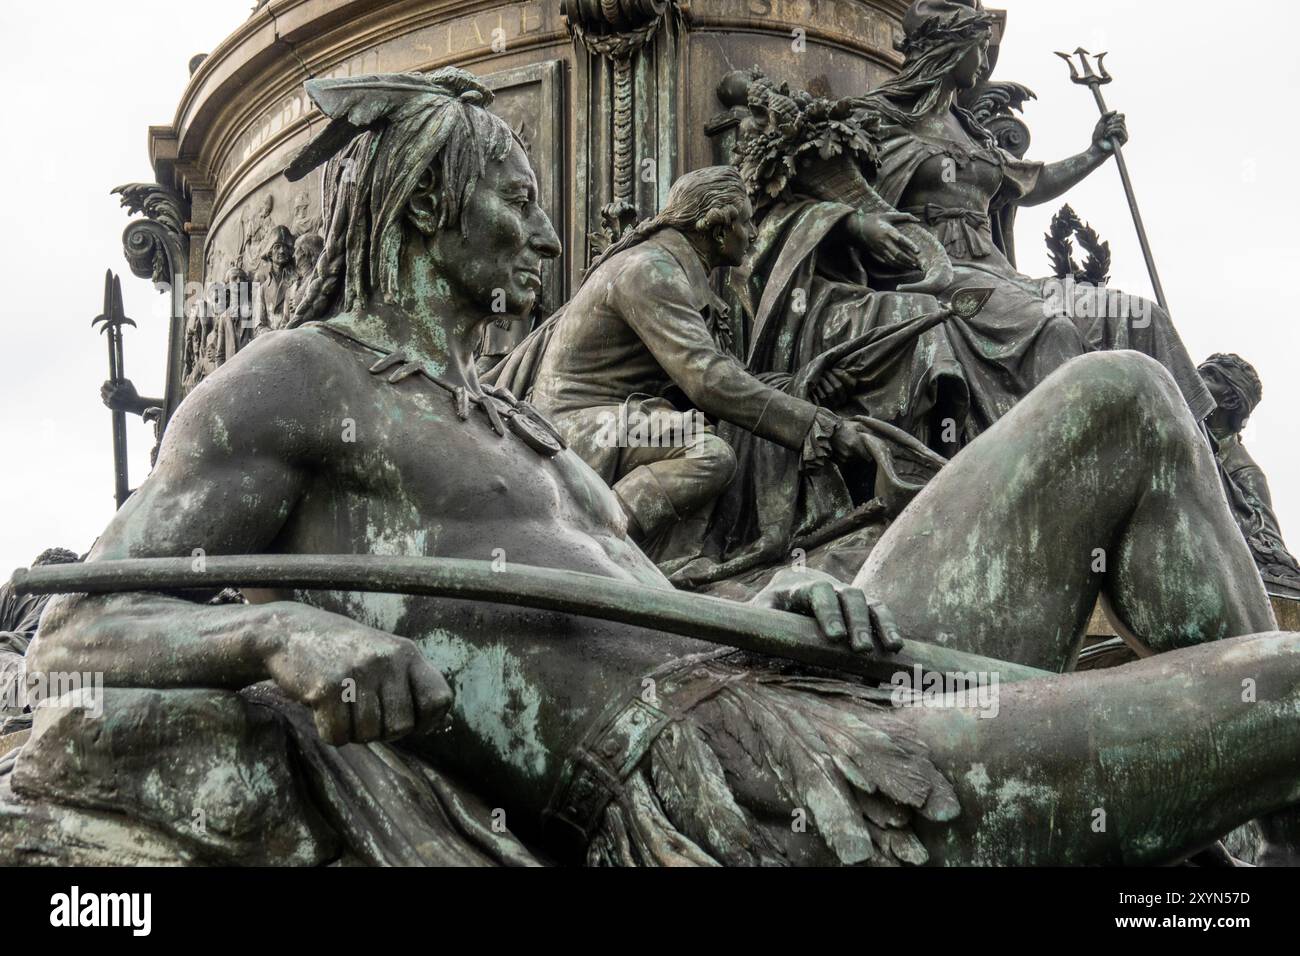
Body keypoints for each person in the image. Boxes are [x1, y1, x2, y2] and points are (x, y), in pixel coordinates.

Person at [11, 69, 1299, 868]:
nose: (546, 235)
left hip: (786, 677)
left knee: (1120, 394)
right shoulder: (299, 378)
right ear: (426, 209)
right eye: (515, 199)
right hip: (739, 782)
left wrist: (776, 600)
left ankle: (1259, 838)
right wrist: (282, 631)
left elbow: (637, 602)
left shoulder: (517, 427)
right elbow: (76, 624)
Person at [1199, 353, 1300, 592]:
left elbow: (1268, 547)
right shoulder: (1175, 433)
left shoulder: (1244, 472)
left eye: (1209, 376)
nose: (1194, 378)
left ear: (1231, 400)